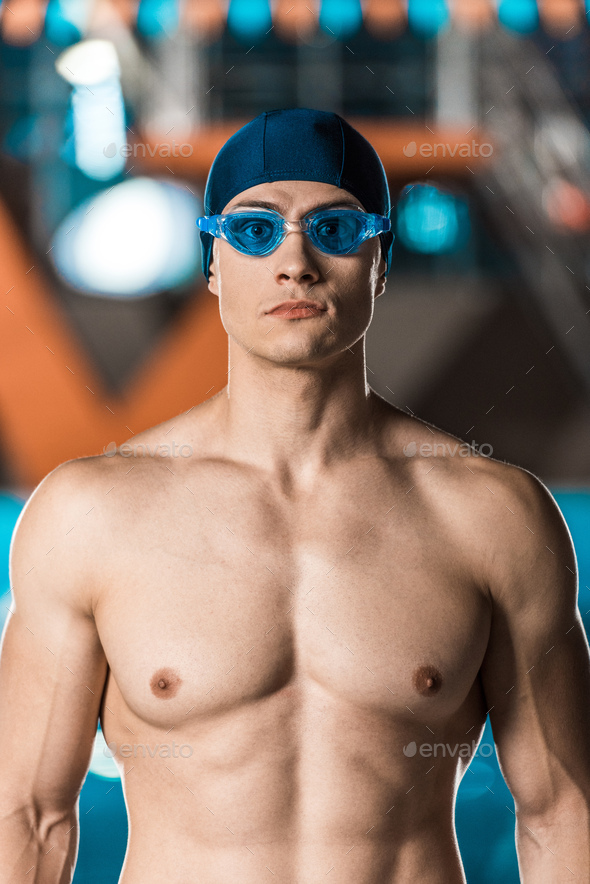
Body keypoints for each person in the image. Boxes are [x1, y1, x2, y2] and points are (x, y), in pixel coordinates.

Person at [1, 108, 589, 884]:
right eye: (252, 231)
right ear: (211, 262)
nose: (295, 262)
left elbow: (561, 809)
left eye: (336, 230)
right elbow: (31, 816)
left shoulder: (492, 515)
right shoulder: (90, 515)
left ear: (381, 259)